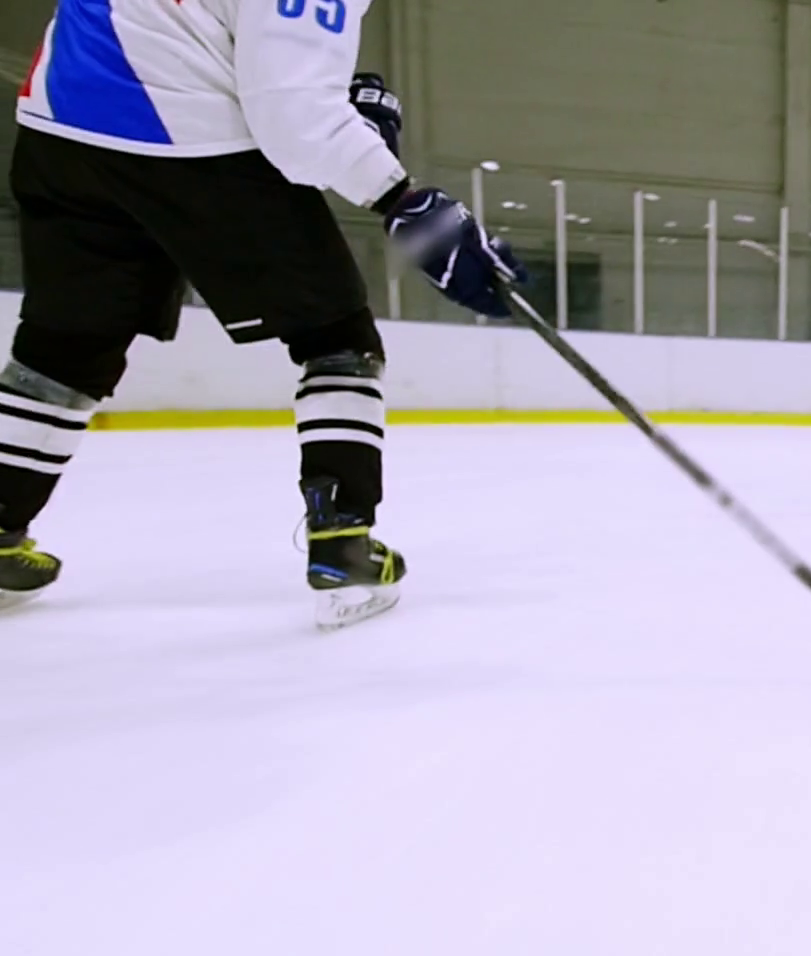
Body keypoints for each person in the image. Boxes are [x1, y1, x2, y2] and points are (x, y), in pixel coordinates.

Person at [0, 0, 524, 627]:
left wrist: (344, 119)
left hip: (60, 125)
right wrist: (401, 198)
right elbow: (294, 120)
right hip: (179, 129)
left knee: (66, 347)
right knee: (336, 338)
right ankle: (343, 545)